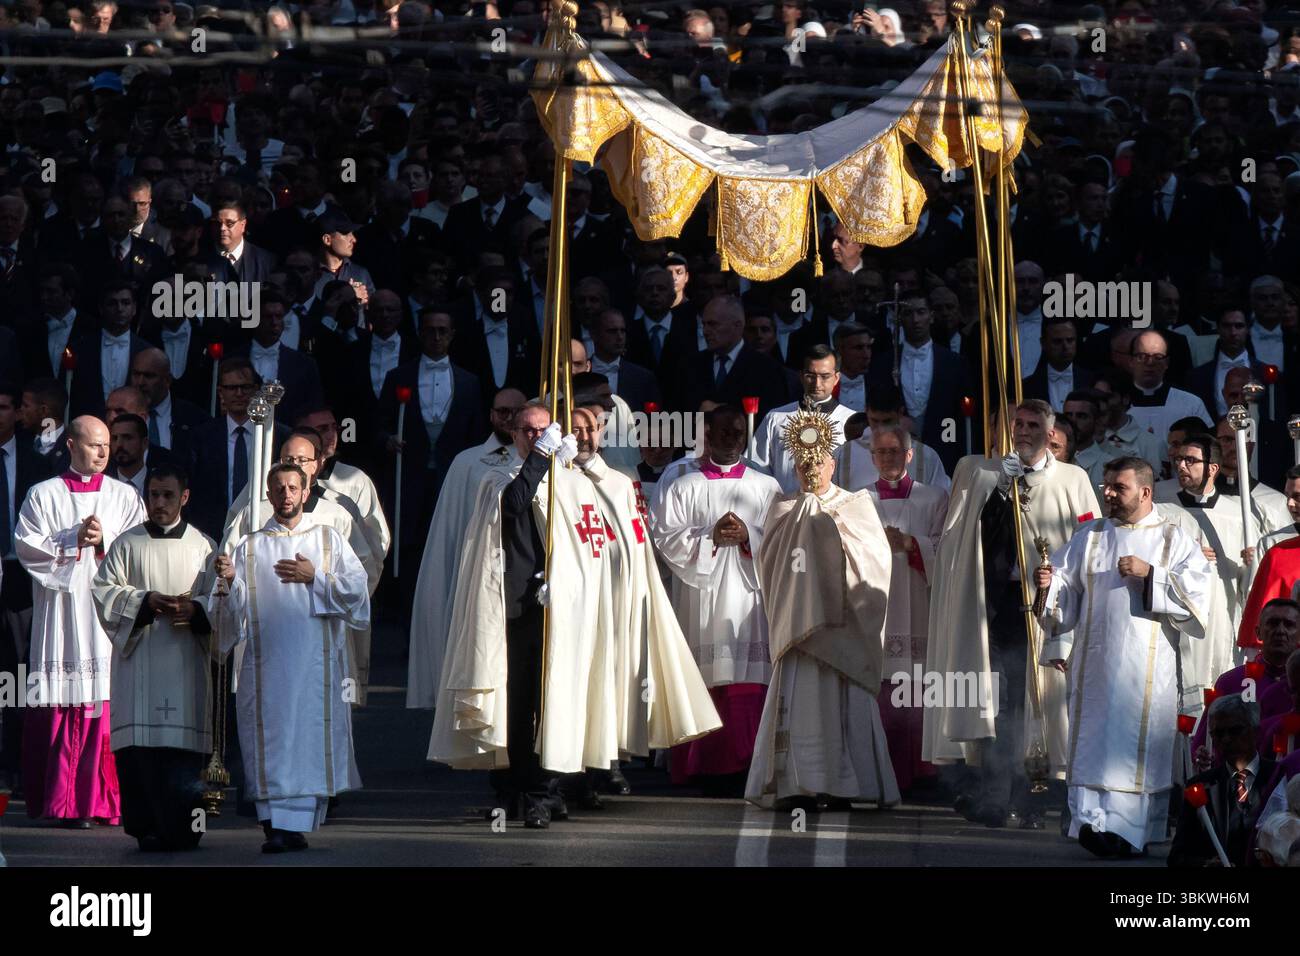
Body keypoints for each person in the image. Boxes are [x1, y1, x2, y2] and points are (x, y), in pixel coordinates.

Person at [427, 403, 606, 829]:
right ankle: (511, 788)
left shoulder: (573, 482)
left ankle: (546, 790)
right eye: (527, 431)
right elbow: (514, 505)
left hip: (558, 608)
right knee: (515, 703)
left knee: (552, 701)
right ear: (514, 434)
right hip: (514, 607)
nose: (534, 437)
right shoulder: (498, 478)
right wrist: (541, 461)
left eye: (543, 431)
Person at [924, 400, 1101, 829]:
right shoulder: (978, 470)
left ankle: (1036, 794)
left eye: (1033, 425)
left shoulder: (1073, 478)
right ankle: (993, 792)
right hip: (994, 603)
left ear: (1050, 431)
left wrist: (1056, 575)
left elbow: (1090, 542)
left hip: (1047, 609)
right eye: (1016, 423)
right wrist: (1002, 485)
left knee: (1042, 703)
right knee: (998, 699)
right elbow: (961, 539)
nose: (1023, 431)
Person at [1037, 456, 1213, 857]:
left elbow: (1200, 595)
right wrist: (1048, 584)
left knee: (1134, 744)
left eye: (1119, 487)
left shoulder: (1172, 538)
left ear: (1146, 492)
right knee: (1095, 742)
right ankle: (1091, 825)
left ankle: (1131, 835)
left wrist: (1152, 574)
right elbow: (1063, 589)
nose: (1109, 494)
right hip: (1095, 662)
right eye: (1107, 486)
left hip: (1145, 667)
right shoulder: (1091, 536)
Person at [212, 463, 371, 852]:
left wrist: (314, 577)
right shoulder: (250, 546)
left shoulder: (328, 539)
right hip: (266, 666)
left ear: (305, 491)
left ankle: (292, 826)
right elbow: (235, 615)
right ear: (268, 496)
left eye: (293, 487)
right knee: (271, 738)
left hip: (313, 667)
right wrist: (231, 581)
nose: (286, 495)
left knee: (304, 739)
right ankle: (277, 827)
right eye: (278, 488)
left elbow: (357, 596)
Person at [746, 409, 899, 811]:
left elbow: (875, 562)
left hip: (843, 630)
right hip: (800, 631)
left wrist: (827, 535)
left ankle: (845, 785)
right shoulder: (782, 507)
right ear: (795, 464)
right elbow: (771, 565)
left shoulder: (855, 506)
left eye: (819, 461)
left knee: (842, 706)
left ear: (833, 463)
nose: (811, 469)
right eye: (803, 462)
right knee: (803, 708)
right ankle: (796, 784)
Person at [572, 402, 721, 797]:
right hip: (573, 600)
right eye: (576, 428)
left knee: (616, 679)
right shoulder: (555, 481)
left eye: (592, 428)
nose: (585, 436)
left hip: (617, 599)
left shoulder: (621, 483)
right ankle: (567, 765)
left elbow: (638, 544)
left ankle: (611, 760)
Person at [16, 416, 147, 825]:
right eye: (94, 445)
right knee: (61, 696)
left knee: (103, 698)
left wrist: (105, 540)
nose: (104, 452)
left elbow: (141, 547)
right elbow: (25, 546)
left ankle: (101, 801)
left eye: (107, 445)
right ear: (70, 445)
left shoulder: (124, 496)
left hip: (105, 616)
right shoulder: (43, 495)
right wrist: (72, 539)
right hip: (60, 614)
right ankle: (60, 801)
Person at [653, 405, 781, 795]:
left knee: (747, 677)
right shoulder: (679, 481)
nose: (731, 441)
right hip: (699, 596)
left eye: (738, 434)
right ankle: (700, 762)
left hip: (748, 598)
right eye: (723, 433)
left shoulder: (766, 486)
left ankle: (746, 763)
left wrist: (749, 536)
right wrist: (709, 536)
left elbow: (781, 541)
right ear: (706, 434)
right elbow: (661, 537)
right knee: (701, 675)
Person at [91, 464, 216, 851]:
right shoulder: (126, 544)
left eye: (167, 495)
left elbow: (221, 603)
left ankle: (185, 829)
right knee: (142, 753)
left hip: (184, 665)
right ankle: (145, 828)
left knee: (180, 754)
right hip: (139, 665)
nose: (159, 503)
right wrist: (144, 601)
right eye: (153, 495)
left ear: (185, 497)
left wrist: (196, 611)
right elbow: (103, 592)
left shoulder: (204, 546)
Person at [407, 388, 524, 709]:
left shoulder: (537, 462)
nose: (509, 417)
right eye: (502, 411)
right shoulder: (467, 462)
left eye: (516, 411)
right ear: (490, 415)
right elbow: (450, 529)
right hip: (474, 572)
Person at [866, 424, 948, 793]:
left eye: (895, 452)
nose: (888, 459)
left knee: (917, 685)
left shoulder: (934, 499)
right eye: (881, 452)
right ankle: (883, 771)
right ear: (871, 457)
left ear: (910, 455)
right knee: (882, 688)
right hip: (877, 606)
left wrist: (912, 545)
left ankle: (922, 772)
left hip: (917, 603)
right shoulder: (858, 501)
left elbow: (943, 550)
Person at [1153, 434, 1252, 713]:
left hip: (1221, 614)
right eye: (1178, 460)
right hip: (1176, 618)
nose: (1181, 466)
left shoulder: (1237, 514)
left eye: (1191, 460)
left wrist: (1247, 563)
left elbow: (1248, 579)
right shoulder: (1162, 512)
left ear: (1212, 468)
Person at [1168, 695, 1274, 867]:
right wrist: (1205, 865)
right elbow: (1176, 858)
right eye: (1218, 733)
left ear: (1255, 731)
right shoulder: (1200, 786)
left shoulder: (1278, 777)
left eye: (1234, 731)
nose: (1225, 739)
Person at [752, 344, 855, 493]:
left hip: (833, 511)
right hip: (785, 509)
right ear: (801, 376)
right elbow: (757, 469)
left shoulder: (850, 420)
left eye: (825, 376)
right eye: (810, 376)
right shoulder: (775, 418)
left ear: (837, 377)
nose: (817, 383)